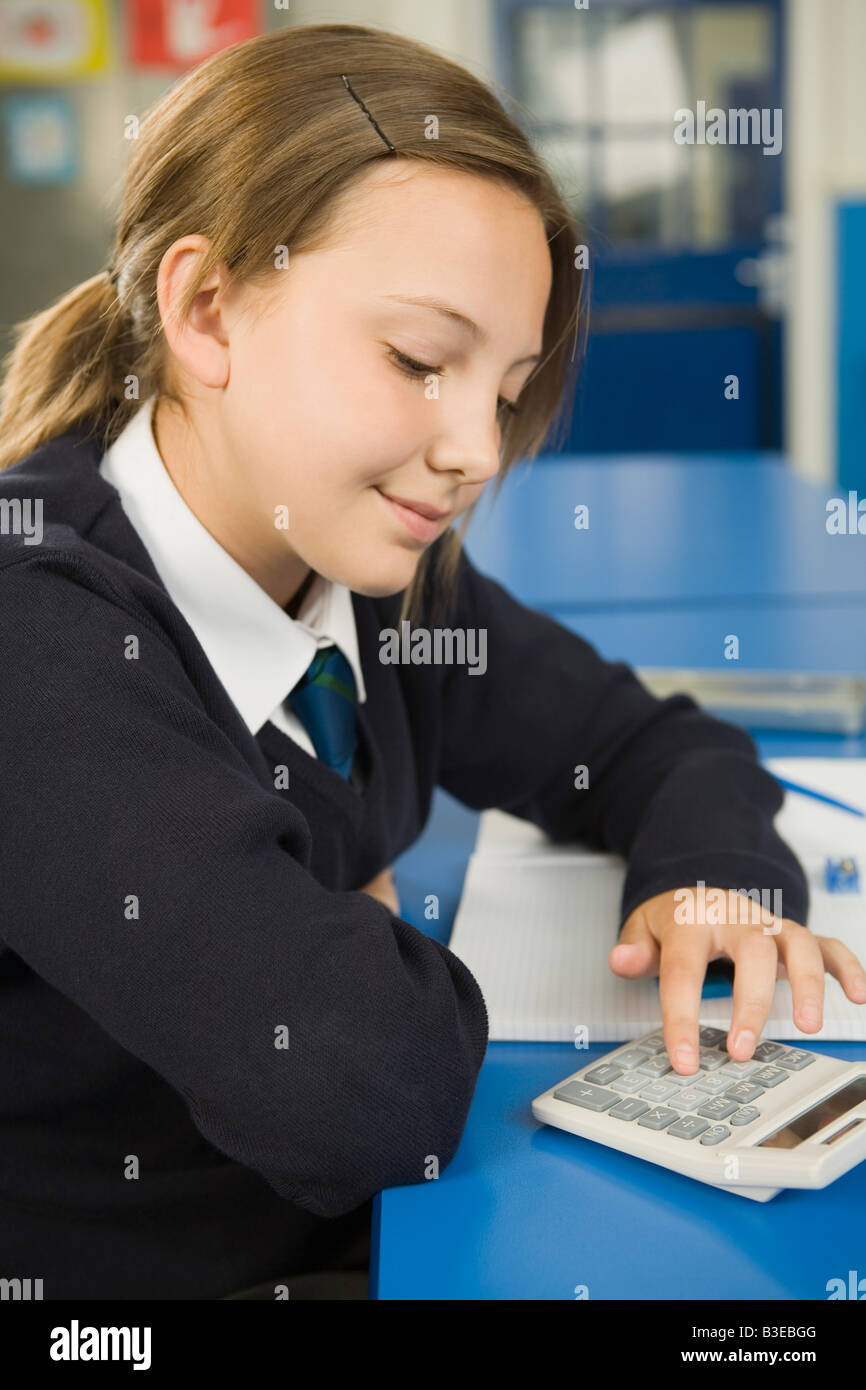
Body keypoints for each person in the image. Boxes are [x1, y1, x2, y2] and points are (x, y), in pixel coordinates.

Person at [1, 22, 863, 1301]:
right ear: (205, 309)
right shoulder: (38, 642)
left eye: (505, 387)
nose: (478, 449)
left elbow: (651, 741)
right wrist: (368, 946)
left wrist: (711, 883)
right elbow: (361, 1087)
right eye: (419, 360)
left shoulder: (371, 576)